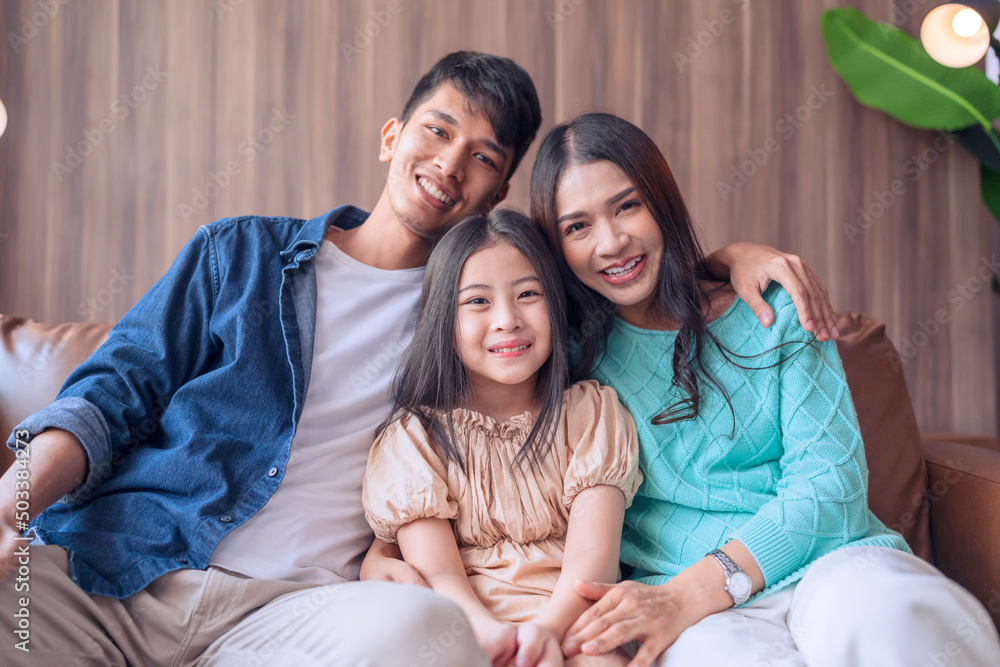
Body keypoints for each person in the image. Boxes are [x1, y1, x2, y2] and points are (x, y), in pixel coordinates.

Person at [0, 51, 838, 665]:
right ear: (393, 135)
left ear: (498, 195)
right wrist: (13, 502)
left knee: (421, 635)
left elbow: (631, 273)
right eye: (437, 132)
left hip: (298, 612)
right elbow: (112, 392)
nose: (449, 165)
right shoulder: (239, 256)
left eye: (483, 158)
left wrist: (729, 257)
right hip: (123, 566)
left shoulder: (489, 316)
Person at [525, 112, 1000, 667]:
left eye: (628, 205)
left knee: (893, 621)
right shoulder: (568, 362)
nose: (611, 241)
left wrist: (694, 590)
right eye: (577, 227)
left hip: (829, 563)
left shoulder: (770, 305)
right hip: (692, 612)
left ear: (663, 201)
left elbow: (830, 486)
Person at [363, 210, 640, 667]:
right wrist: (491, 635)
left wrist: (546, 632)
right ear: (442, 321)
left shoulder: (589, 413)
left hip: (572, 619)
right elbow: (439, 574)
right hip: (462, 623)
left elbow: (594, 556)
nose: (507, 320)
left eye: (528, 294)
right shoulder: (416, 439)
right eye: (477, 301)